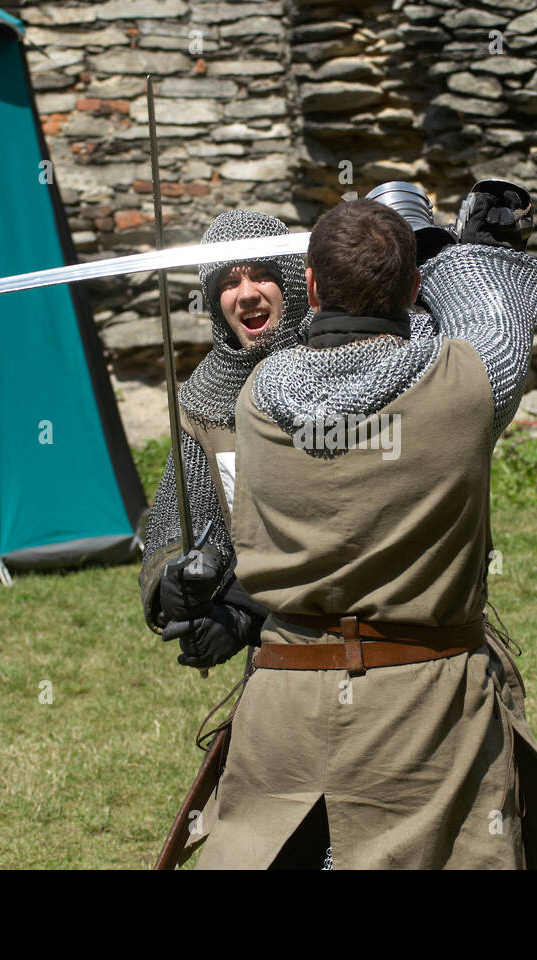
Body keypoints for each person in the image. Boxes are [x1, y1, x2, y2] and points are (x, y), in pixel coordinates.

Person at [192, 194, 537, 869]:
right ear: (415, 287)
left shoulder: (259, 396)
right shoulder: (468, 387)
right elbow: (489, 314)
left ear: (312, 288)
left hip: (288, 712)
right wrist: (468, 250)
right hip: (426, 710)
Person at [137, 210, 310, 670]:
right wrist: (178, 578)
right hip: (278, 657)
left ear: (292, 284)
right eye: (229, 282)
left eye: (262, 275)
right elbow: (182, 519)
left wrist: (240, 614)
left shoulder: (338, 368)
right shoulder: (203, 401)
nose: (247, 293)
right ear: (214, 301)